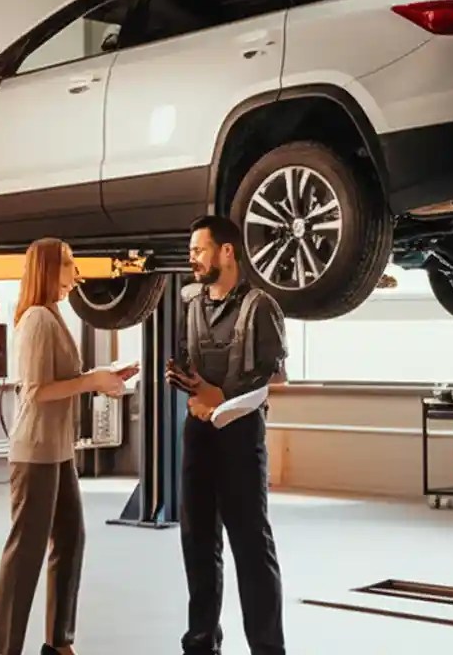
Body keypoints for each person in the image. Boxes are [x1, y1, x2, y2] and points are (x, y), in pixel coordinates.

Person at [0, 237, 139, 655]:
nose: (75, 274)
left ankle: (59, 643)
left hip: (58, 452)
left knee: (71, 539)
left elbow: (63, 379)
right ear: (46, 269)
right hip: (35, 451)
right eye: (68, 264)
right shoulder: (37, 318)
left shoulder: (53, 315)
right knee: (26, 553)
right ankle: (4, 650)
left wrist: (104, 373)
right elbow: (37, 391)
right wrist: (93, 381)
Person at [166, 215, 288, 655]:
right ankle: (201, 639)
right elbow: (187, 362)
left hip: (240, 436)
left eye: (199, 250)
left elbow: (274, 379)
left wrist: (220, 398)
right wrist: (185, 384)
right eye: (192, 252)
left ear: (227, 252)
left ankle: (267, 647)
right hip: (197, 434)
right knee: (197, 541)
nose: (192, 259)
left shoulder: (261, 306)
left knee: (251, 545)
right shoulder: (191, 304)